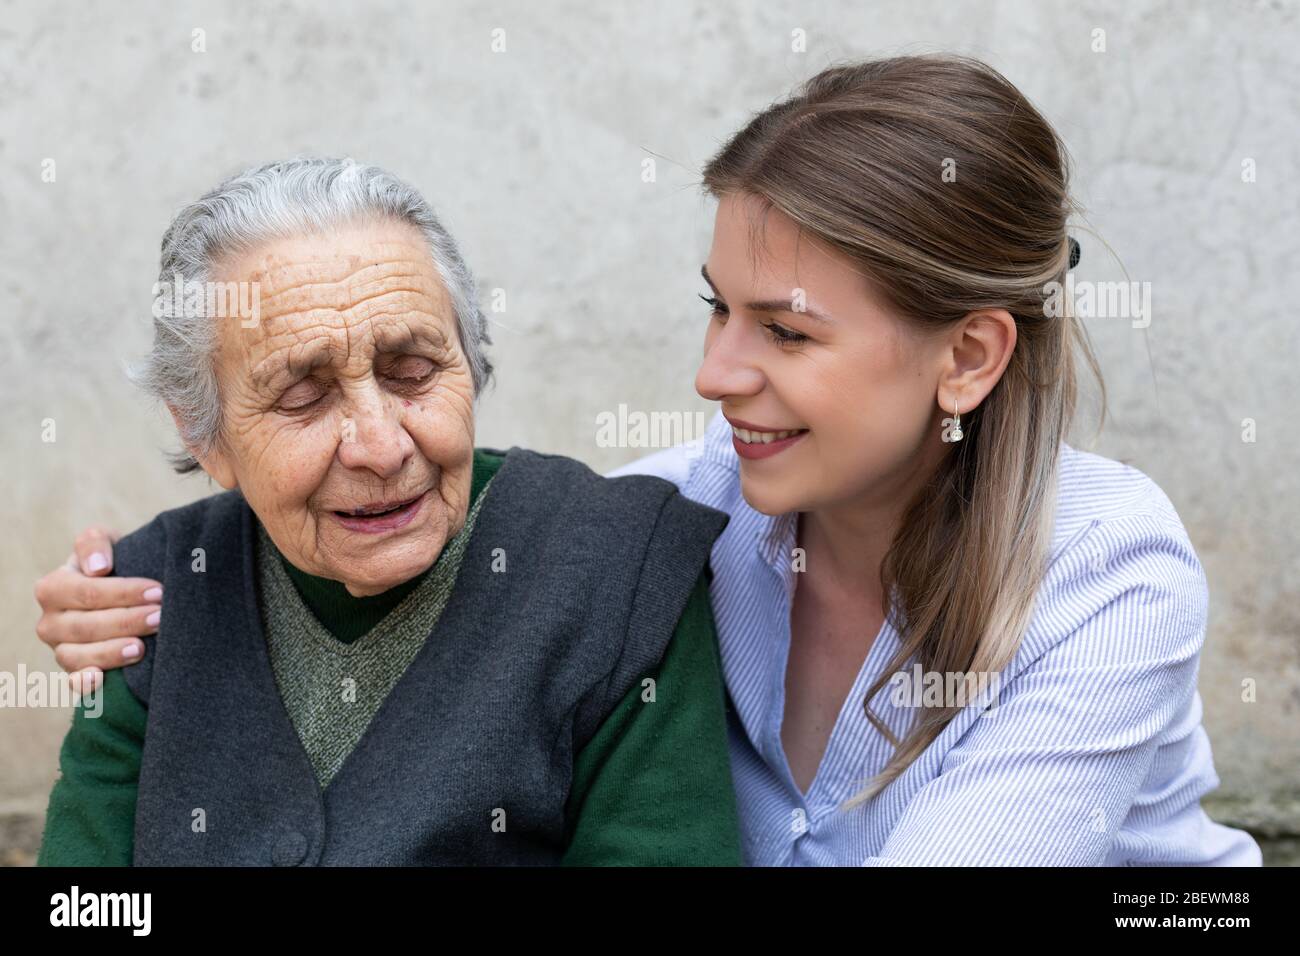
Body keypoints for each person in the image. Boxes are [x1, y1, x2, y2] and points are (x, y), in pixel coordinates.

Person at [36, 56, 1261, 866]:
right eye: (715, 309)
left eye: (782, 331)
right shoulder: (668, 520)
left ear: (968, 355)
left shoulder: (1103, 571)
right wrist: (138, 589)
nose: (714, 372)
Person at [34, 157, 742, 866]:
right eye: (303, 397)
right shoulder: (148, 599)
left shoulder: (623, 570)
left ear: (469, 361)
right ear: (203, 433)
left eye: (413, 372)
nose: (380, 445)